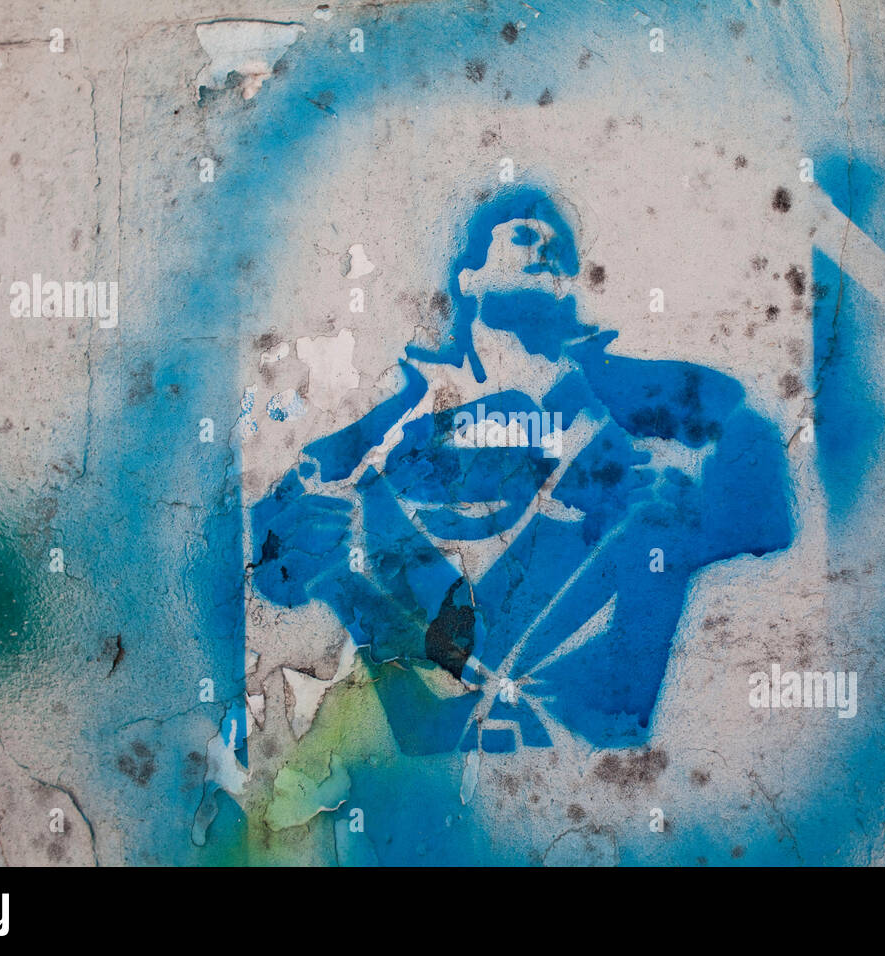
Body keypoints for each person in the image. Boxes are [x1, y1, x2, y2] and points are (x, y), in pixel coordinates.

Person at [251, 185, 793, 756]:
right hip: (464, 652)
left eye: (558, 251)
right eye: (522, 235)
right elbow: (435, 703)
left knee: (650, 521)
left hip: (527, 655)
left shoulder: (601, 404)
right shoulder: (419, 411)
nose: (544, 251)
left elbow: (747, 460)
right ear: (468, 277)